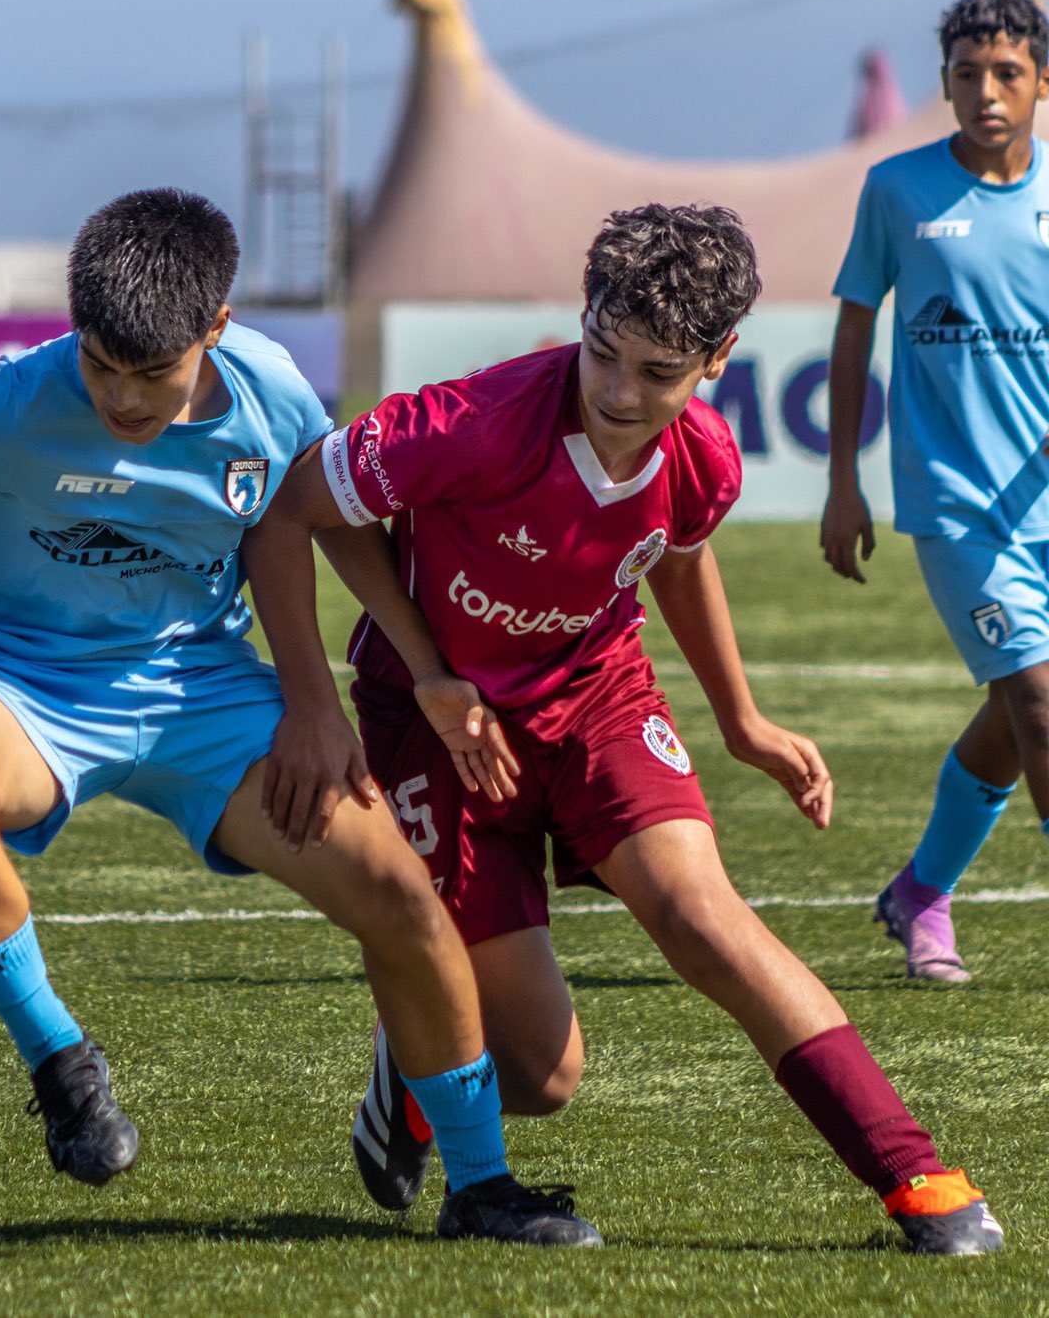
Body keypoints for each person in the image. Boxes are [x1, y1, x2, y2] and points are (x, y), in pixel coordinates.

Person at [0, 188, 600, 1246]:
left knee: (398, 892)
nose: (120, 396)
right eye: (101, 365)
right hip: (20, 681)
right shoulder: (19, 395)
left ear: (215, 328)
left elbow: (324, 522)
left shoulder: (274, 397)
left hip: (203, 688)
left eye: (150, 373)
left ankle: (481, 1186)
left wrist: (357, 690)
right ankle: (60, 1061)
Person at [253, 203, 1003, 1255]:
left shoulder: (705, 459)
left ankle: (916, 1177)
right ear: (584, 312)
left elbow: (677, 556)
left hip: (596, 696)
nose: (617, 391)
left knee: (704, 918)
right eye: (602, 352)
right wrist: (403, 680)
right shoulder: (469, 421)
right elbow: (293, 509)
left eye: (657, 372)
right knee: (543, 1075)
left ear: (717, 358)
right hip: (435, 728)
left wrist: (741, 720)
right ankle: (420, 1044)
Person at [822, 0, 1049, 984]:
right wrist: (842, 481)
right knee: (1038, 701)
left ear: (1042, 82)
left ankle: (919, 891)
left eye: (1007, 72)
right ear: (945, 83)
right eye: (966, 74)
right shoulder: (897, 189)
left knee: (1016, 711)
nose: (986, 91)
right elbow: (853, 327)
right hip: (956, 503)